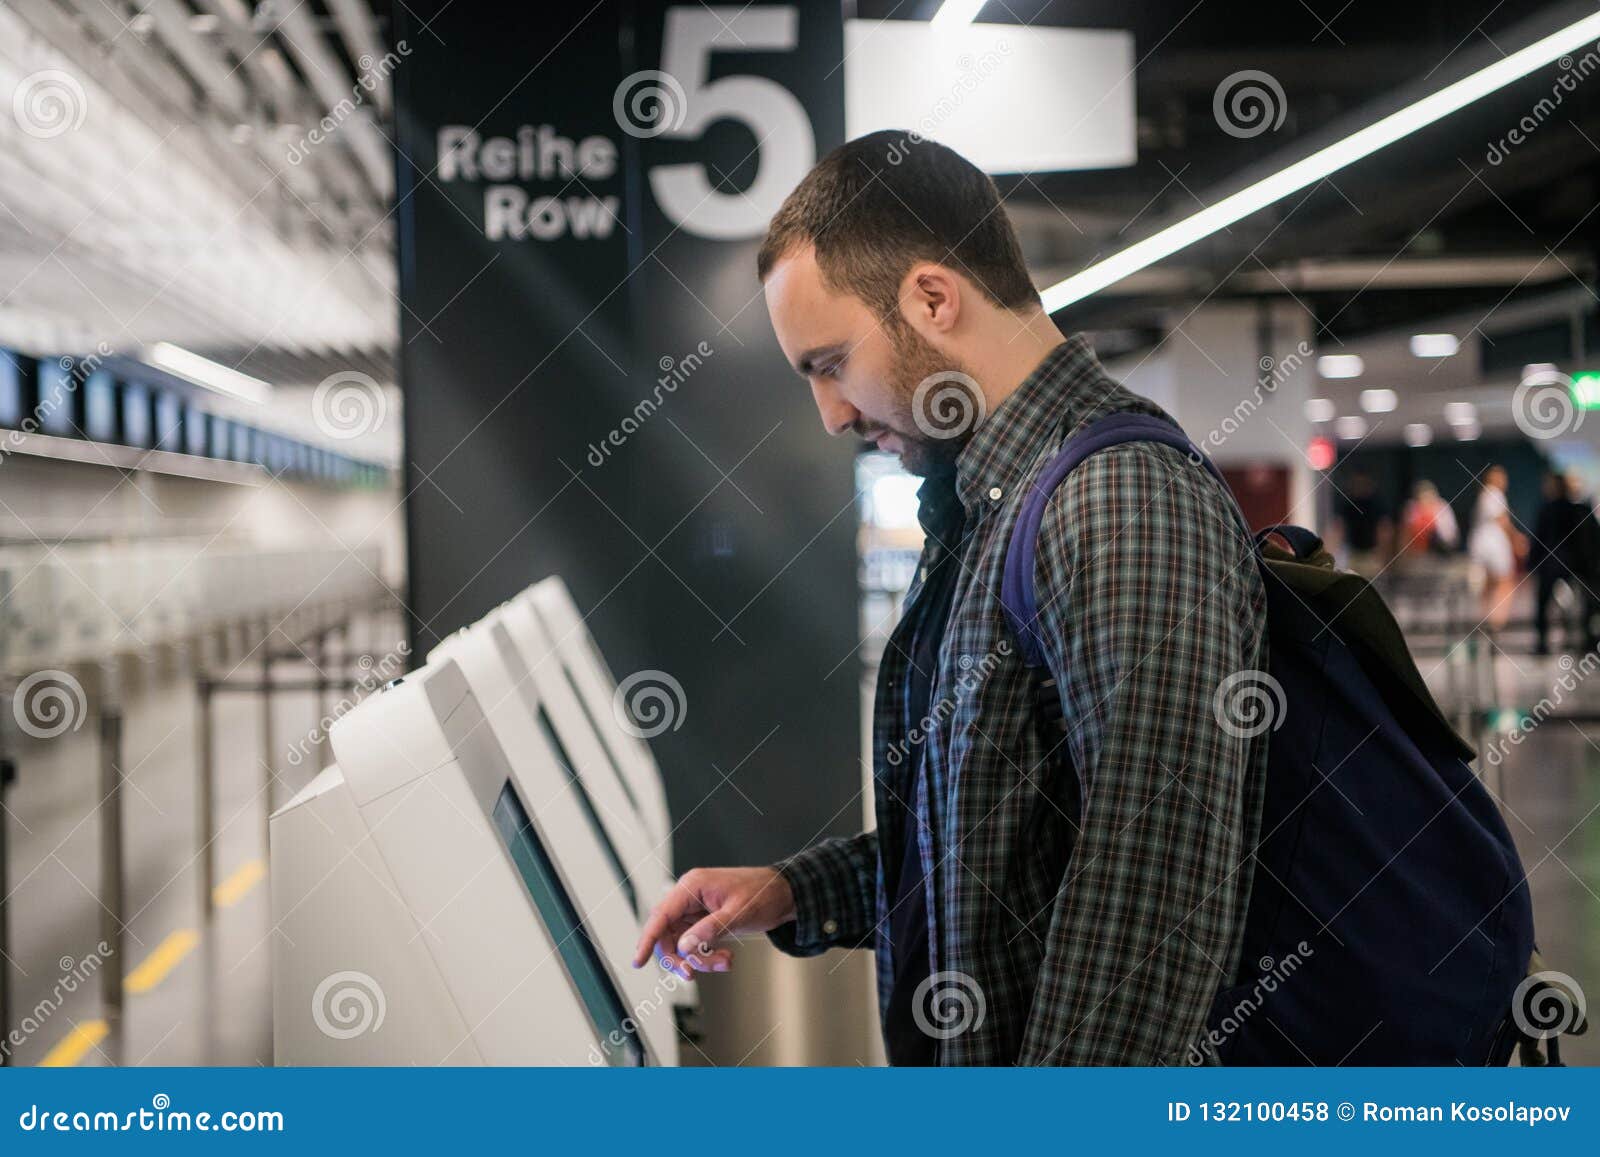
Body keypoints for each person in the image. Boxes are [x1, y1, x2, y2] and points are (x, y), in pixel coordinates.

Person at [630, 133, 1268, 1065]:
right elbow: (994, 853)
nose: (833, 415)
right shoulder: (991, 510)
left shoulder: (1118, 503)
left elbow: (1147, 938)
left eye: (830, 362)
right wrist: (794, 889)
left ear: (933, 297)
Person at [1467, 464, 1523, 633]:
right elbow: (1502, 521)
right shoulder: (1494, 494)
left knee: (1489, 584)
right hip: (1493, 544)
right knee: (1505, 582)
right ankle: (1497, 621)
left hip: (1481, 544)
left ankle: (1486, 618)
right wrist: (1516, 539)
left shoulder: (1483, 496)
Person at [1400, 480, 1459, 558]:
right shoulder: (1412, 508)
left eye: (1429, 496)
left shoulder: (1442, 507)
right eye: (1423, 496)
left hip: (1439, 552)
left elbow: (1450, 536)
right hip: (1415, 554)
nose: (1426, 500)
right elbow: (1405, 533)